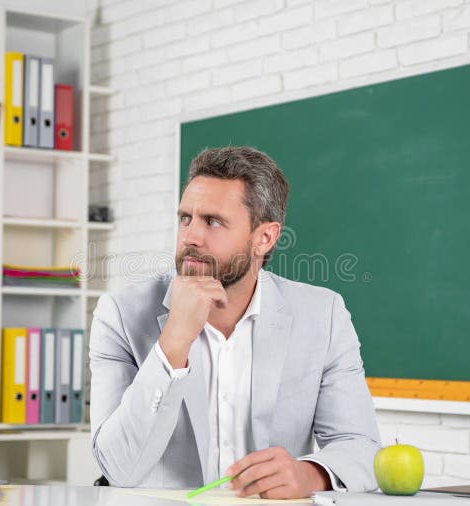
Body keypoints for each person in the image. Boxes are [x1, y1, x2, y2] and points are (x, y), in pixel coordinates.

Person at [89, 146, 381, 499]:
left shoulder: (323, 315)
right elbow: (117, 469)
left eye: (212, 221)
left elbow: (361, 446)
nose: (190, 237)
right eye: (185, 218)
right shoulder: (119, 314)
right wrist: (173, 344)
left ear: (265, 238)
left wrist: (309, 474)